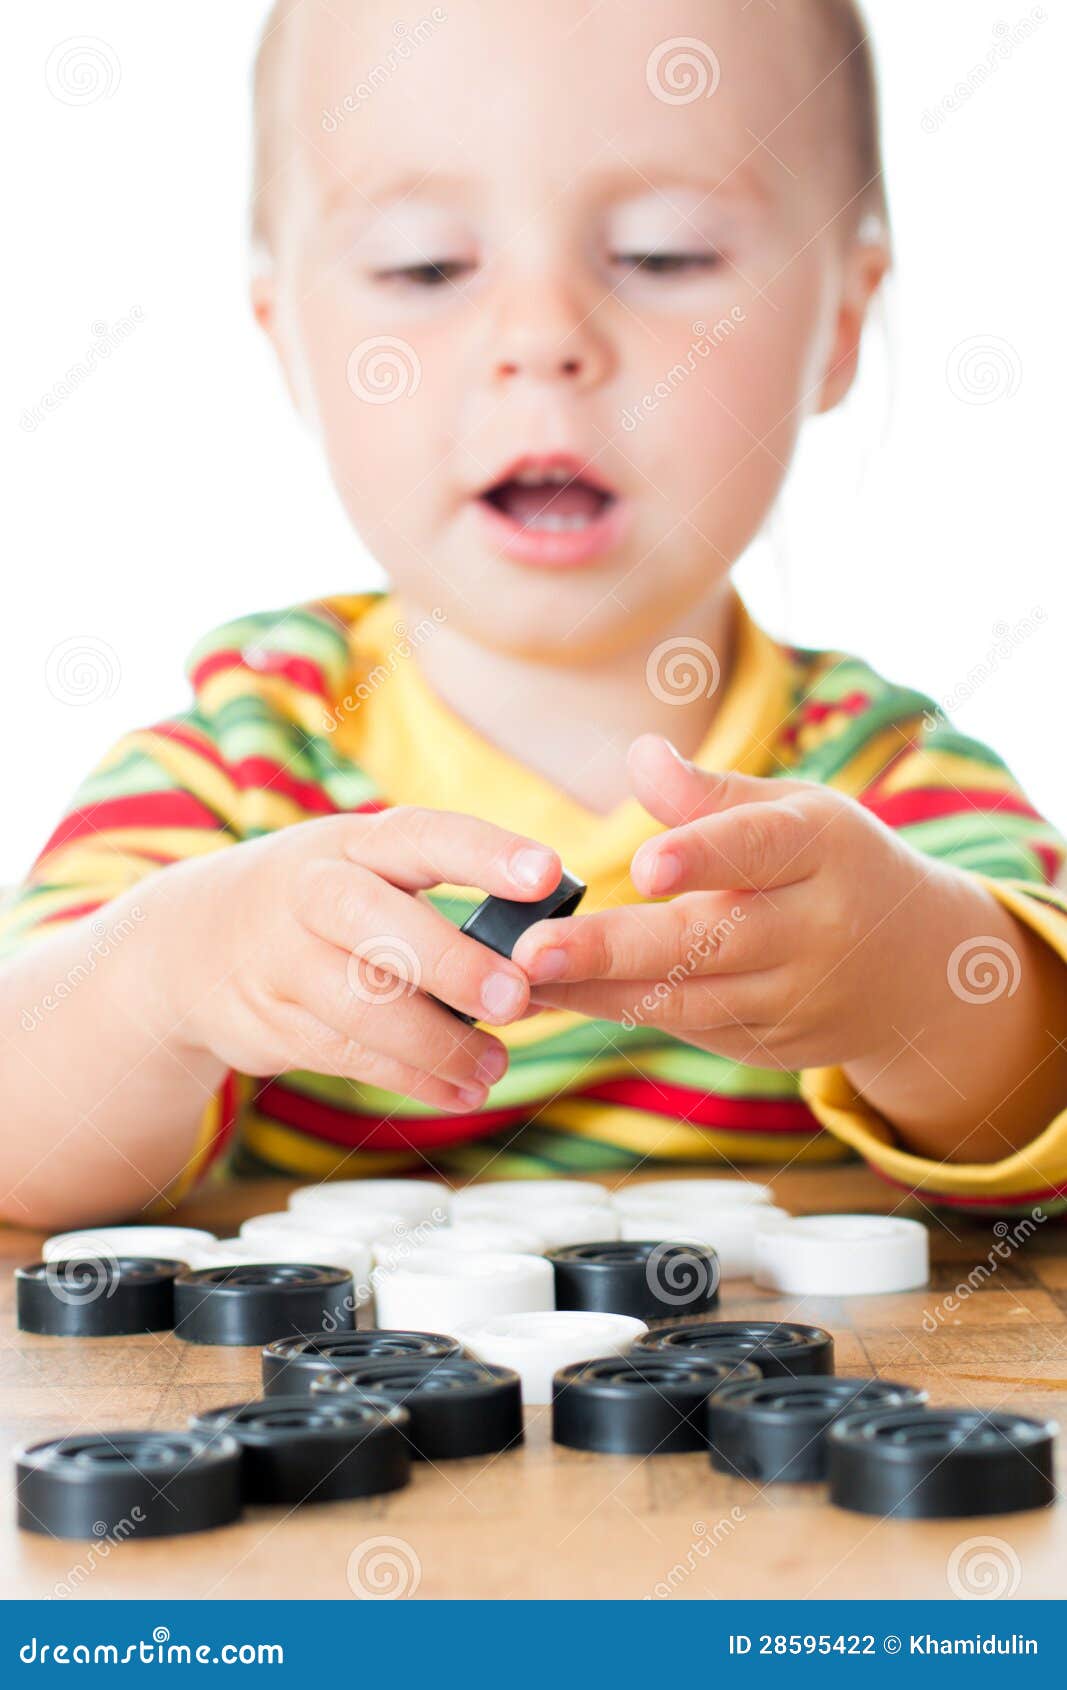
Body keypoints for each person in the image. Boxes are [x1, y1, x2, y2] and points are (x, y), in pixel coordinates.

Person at [2, 0, 1065, 1229]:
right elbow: (21, 1145)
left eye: (662, 256)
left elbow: (1037, 1113)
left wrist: (911, 984)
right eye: (424, 267)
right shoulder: (235, 771)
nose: (542, 336)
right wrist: (164, 984)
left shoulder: (878, 778)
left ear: (836, 325)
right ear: (286, 338)